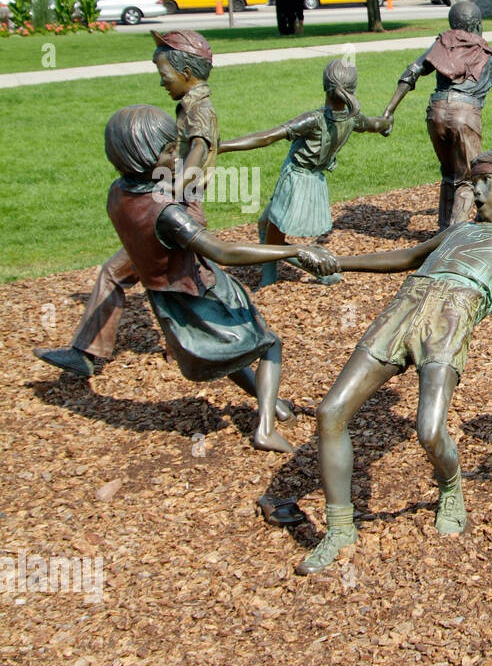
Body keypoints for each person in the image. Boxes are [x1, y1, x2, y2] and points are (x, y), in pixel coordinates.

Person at [296, 147, 492, 574]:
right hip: (401, 308)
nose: (476, 191)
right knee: (330, 411)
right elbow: (406, 258)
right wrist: (339, 262)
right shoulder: (459, 230)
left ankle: (449, 487)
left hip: (448, 321)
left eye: (485, 182)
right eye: (474, 182)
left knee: (428, 430)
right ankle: (339, 529)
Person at [98, 105, 337, 452]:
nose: (175, 158)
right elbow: (223, 252)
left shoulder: (118, 194)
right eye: (168, 151)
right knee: (269, 344)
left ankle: (272, 403)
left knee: (225, 352)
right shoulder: (167, 214)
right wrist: (294, 252)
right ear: (143, 156)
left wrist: (195, 156)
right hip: (200, 291)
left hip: (166, 297)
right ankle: (265, 428)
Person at [35, 29, 220, 379]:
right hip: (173, 207)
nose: (161, 83)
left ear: (186, 73)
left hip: (174, 210)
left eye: (164, 75)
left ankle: (211, 346)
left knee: (178, 281)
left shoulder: (199, 110)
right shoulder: (193, 106)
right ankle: (178, 347)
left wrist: (170, 195)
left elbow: (197, 151)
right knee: (164, 279)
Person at [382, 1, 492, 229]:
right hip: (465, 116)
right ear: (477, 25)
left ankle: (442, 232)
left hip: (435, 113)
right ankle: (453, 238)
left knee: (449, 175)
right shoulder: (485, 53)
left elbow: (413, 70)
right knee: (468, 180)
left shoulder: (443, 44)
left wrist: (389, 111)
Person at [220, 59, 391, 288]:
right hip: (314, 181)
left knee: (273, 242)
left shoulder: (314, 119)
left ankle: (322, 270)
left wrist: (222, 146)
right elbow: (375, 124)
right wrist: (386, 123)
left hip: (295, 182)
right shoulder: (352, 119)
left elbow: (267, 137)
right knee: (265, 224)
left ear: (325, 86)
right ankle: (270, 277)